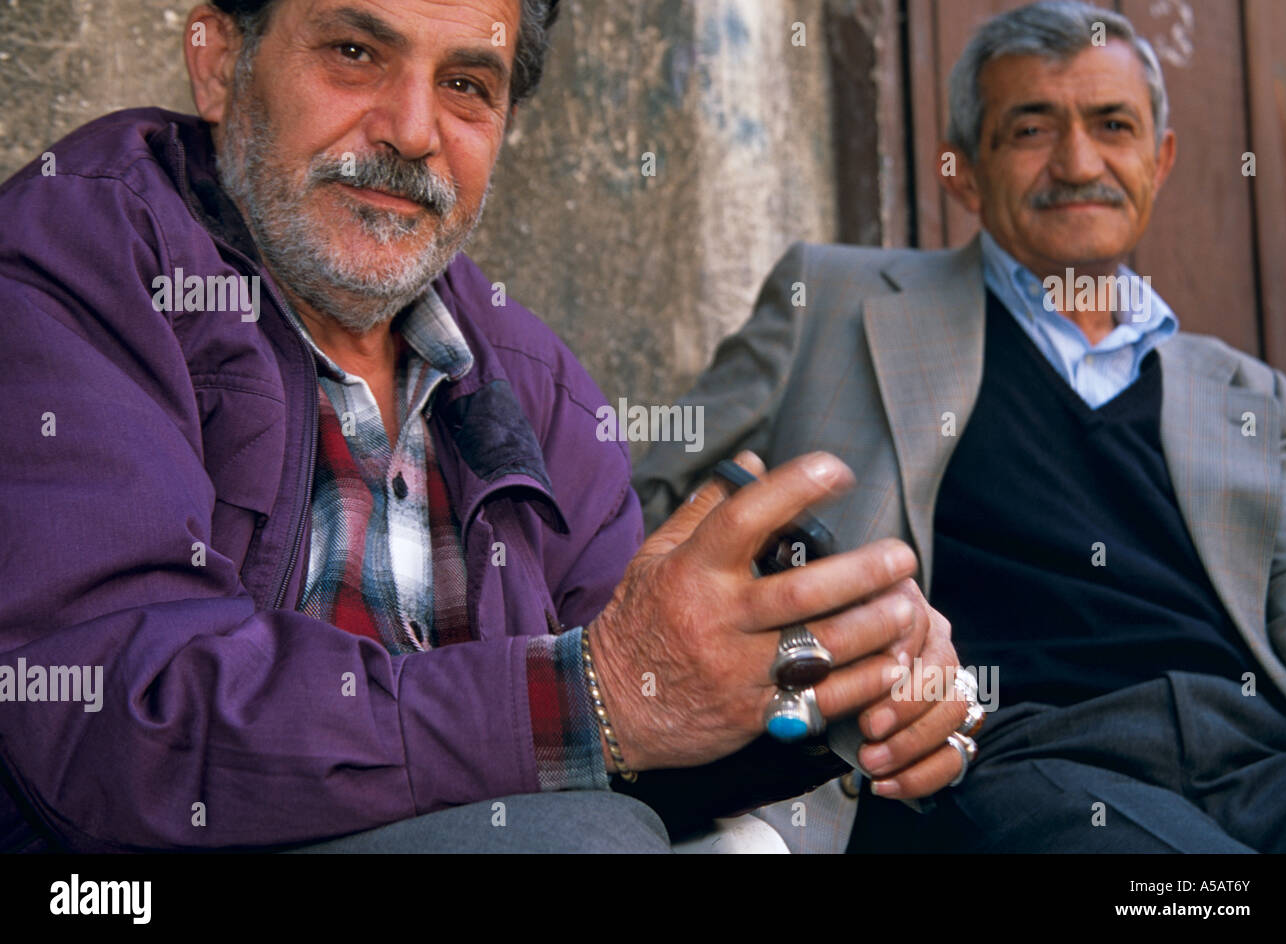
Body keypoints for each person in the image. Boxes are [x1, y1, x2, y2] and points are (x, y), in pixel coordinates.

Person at [0, 0, 970, 853]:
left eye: (466, 83)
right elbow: (112, 723)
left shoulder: (528, 376)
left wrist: (817, 684)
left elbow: (632, 732)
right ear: (218, 61)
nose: (412, 130)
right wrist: (595, 690)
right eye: (352, 52)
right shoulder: (81, 261)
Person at [636, 0, 1286, 853]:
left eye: (1113, 125)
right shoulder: (831, 300)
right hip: (1005, 754)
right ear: (961, 171)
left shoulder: (1245, 391)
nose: (1078, 161)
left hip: (1256, 746)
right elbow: (649, 515)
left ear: (1160, 159)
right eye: (1031, 129)